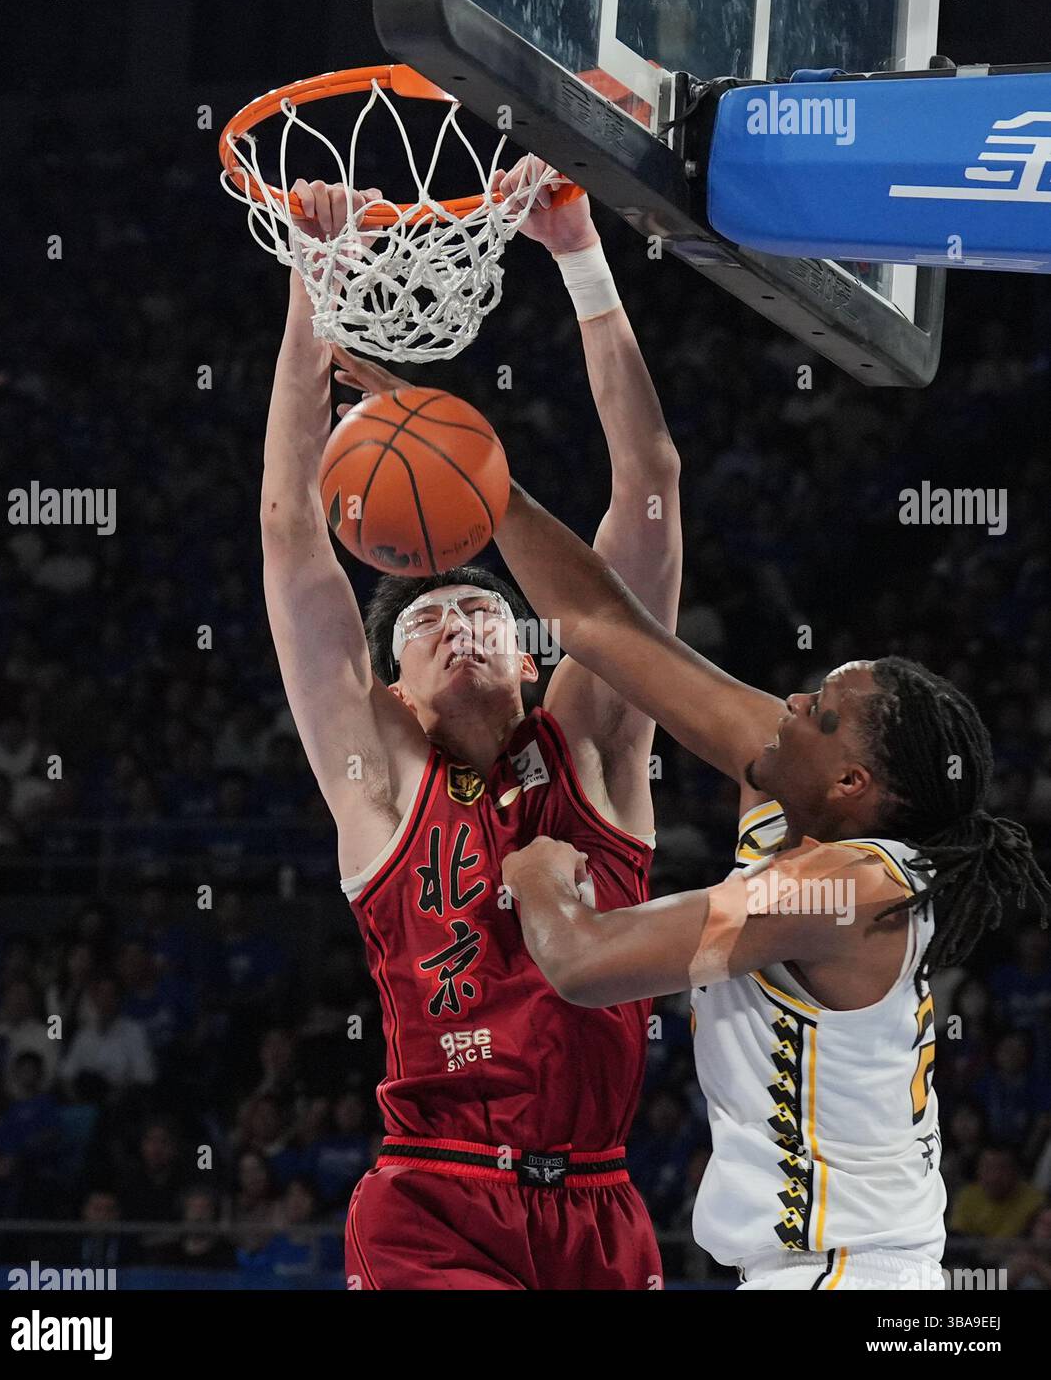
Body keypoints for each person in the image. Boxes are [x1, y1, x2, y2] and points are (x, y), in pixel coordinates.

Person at [260, 160, 682, 1289]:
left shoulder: (590, 745)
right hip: (433, 1199)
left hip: (600, 1197)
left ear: (531, 653)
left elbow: (648, 484)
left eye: (485, 610)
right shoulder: (378, 778)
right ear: (392, 689)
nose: (462, 625)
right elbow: (293, 536)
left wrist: (581, 257)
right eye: (432, 617)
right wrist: (315, 278)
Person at [494, 483, 1051, 1290]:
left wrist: (534, 874)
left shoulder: (853, 889)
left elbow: (582, 963)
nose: (792, 701)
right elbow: (603, 630)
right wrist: (490, 483)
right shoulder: (800, 799)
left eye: (819, 711)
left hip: (849, 1277)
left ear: (853, 780)